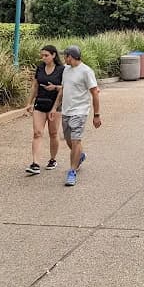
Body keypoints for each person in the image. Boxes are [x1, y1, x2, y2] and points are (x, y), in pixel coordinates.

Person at [58, 45, 101, 187]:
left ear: (71, 56)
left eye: (66, 56)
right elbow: (63, 89)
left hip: (80, 111)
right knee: (70, 141)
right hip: (66, 111)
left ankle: (72, 171)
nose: (65, 59)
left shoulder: (86, 71)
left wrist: (96, 115)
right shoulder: (66, 70)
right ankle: (80, 156)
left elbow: (95, 92)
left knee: (76, 141)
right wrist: (55, 107)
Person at [25, 45, 64, 175]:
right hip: (40, 103)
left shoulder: (61, 70)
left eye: (46, 55)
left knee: (53, 133)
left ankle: (53, 159)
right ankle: (35, 163)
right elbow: (35, 85)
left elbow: (65, 88)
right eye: (42, 55)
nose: (43, 58)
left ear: (53, 55)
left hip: (55, 106)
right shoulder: (40, 68)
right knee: (37, 133)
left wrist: (55, 87)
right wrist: (29, 103)